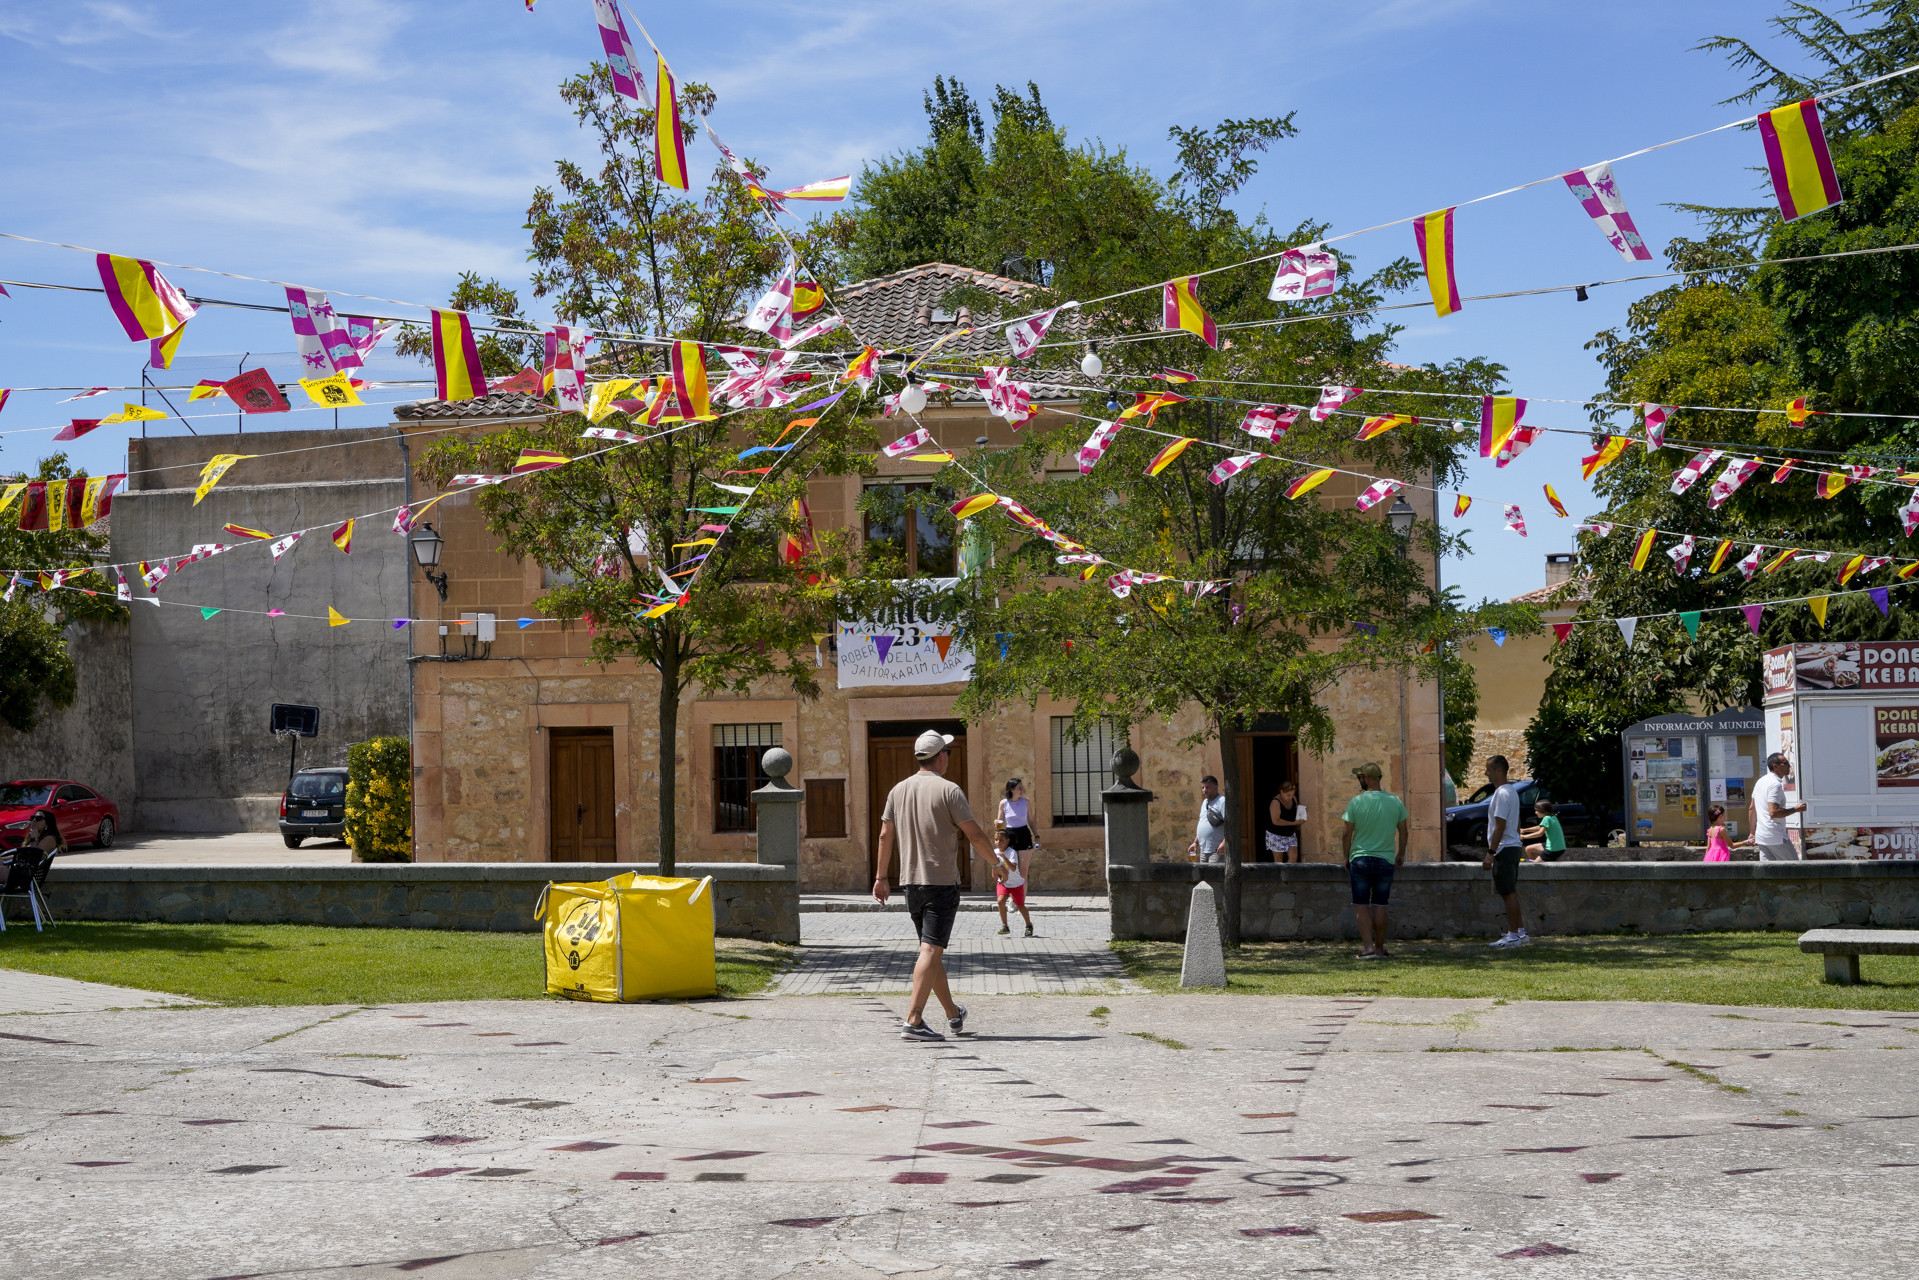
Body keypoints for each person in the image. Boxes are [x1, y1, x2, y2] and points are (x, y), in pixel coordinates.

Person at [875, 730, 995, 1042]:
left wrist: (880, 877)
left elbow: (885, 836)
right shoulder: (950, 790)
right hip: (940, 882)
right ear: (941, 756)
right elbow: (976, 834)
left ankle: (953, 1014)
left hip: (910, 883)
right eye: (948, 753)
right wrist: (998, 864)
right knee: (930, 949)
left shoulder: (897, 790)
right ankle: (913, 1019)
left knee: (931, 951)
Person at [1340, 763, 1407, 959]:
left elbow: (1346, 833)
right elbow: (1404, 831)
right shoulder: (1395, 801)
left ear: (1366, 778)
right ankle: (1379, 948)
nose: (1358, 780)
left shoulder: (1356, 802)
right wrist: (1401, 853)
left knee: (1361, 905)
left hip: (1359, 859)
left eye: (1359, 776)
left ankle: (1367, 947)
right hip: (1385, 860)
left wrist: (1346, 856)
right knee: (1380, 905)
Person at [1482, 756, 1530, 948]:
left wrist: (1490, 852)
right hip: (1512, 846)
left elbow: (1499, 825)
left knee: (1507, 892)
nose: (1486, 773)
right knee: (1510, 891)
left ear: (1499, 770)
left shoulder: (1501, 793)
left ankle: (1512, 936)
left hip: (1503, 848)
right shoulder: (1511, 791)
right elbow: (1516, 823)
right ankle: (1520, 933)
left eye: (1488, 769)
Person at [1750, 752, 1805, 861]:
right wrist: (1796, 809)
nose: (1789, 766)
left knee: (1769, 874)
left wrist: (1752, 833)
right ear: (1775, 766)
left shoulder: (1760, 782)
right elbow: (1773, 813)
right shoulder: (1775, 784)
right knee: (1795, 870)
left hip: (1762, 836)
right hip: (1775, 835)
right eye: (1785, 763)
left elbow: (1752, 808)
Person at [991, 828, 1034, 938]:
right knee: (1000, 901)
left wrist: (1004, 858)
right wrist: (995, 872)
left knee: (1020, 906)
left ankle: (1029, 925)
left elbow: (1013, 868)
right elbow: (994, 871)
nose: (998, 843)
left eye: (1001, 840)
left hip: (1016, 884)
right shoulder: (994, 853)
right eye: (996, 840)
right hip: (1004, 883)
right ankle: (1005, 926)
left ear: (1007, 841)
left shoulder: (1011, 852)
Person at [997, 778, 1036, 881]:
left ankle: (1021, 897)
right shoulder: (1004, 803)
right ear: (1012, 789)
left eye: (1022, 788)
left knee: (1023, 871)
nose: (1022, 790)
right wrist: (996, 824)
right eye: (1019, 788)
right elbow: (999, 824)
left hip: (1024, 834)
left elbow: (1031, 821)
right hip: (1009, 835)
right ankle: (1011, 896)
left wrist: (1037, 836)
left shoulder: (1026, 801)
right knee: (1010, 869)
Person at [1266, 780, 1308, 863]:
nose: (1290, 797)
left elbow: (1296, 810)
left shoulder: (1293, 799)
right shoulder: (1275, 802)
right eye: (1288, 795)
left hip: (1290, 834)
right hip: (1276, 835)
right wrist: (1293, 823)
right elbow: (1276, 821)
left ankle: (1289, 875)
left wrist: (1303, 813)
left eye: (1292, 794)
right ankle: (1280, 876)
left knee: (1293, 856)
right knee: (1279, 861)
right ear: (1281, 792)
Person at [1187, 775, 1226, 863]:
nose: (1204, 790)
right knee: (1204, 876)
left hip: (1217, 851)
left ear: (1215, 787)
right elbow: (1202, 822)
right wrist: (1195, 843)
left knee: (1214, 876)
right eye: (1203, 787)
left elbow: (1231, 826)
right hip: (1203, 850)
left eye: (1207, 787)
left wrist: (1224, 843)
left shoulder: (1222, 801)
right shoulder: (1205, 802)